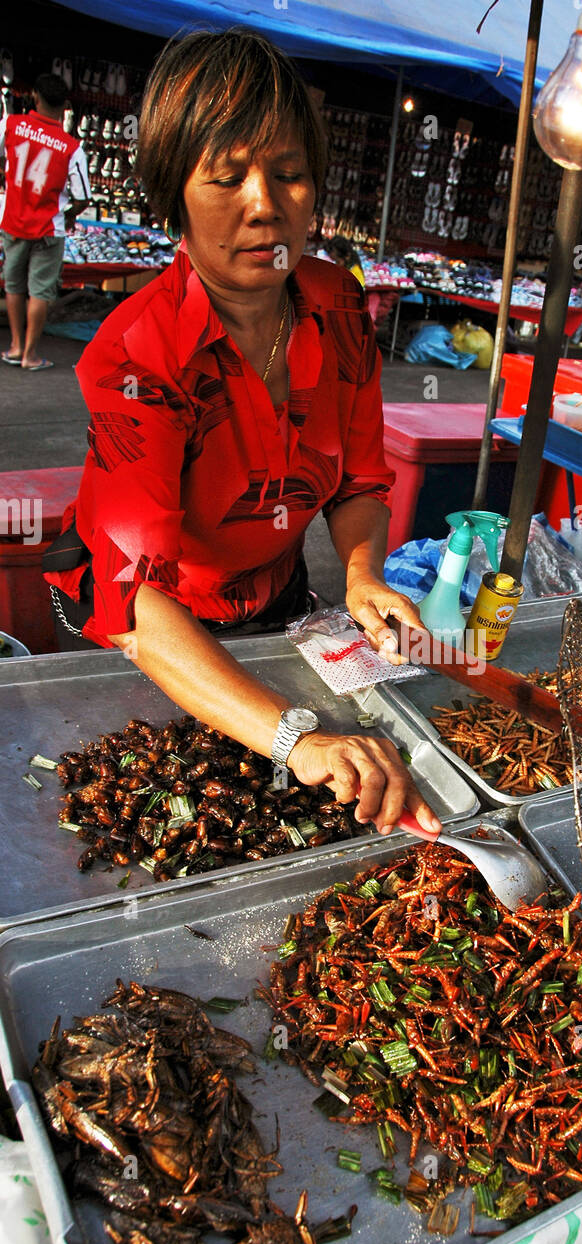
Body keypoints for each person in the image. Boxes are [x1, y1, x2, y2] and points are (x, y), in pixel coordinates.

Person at [43, 29, 439, 840]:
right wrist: (297, 738)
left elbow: (363, 482)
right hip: (157, 627)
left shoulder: (338, 309)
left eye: (290, 174)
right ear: (173, 193)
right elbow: (133, 599)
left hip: (276, 599)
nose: (266, 205)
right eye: (227, 178)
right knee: (159, 808)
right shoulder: (138, 356)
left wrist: (363, 576)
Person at [0, 72, 91, 370]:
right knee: (40, 290)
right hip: (49, 227)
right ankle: (30, 354)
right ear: (64, 105)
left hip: (13, 220)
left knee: (14, 285)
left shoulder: (11, 125)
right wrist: (69, 214)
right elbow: (82, 196)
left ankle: (14, 347)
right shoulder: (71, 147)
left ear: (34, 97)